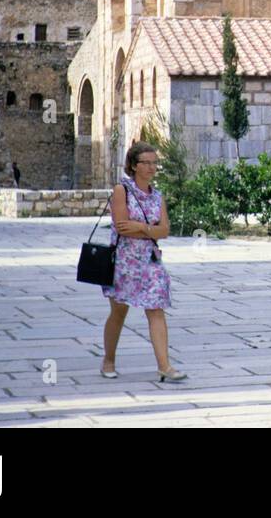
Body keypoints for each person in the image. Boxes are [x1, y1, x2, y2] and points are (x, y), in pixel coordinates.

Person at [100, 142, 185, 383]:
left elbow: (165, 230)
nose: (151, 167)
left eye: (154, 162)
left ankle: (164, 366)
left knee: (156, 309)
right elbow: (122, 227)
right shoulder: (122, 190)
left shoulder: (157, 196)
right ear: (134, 166)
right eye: (145, 163)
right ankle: (108, 359)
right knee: (119, 312)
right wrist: (149, 229)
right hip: (124, 262)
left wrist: (141, 227)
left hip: (150, 261)